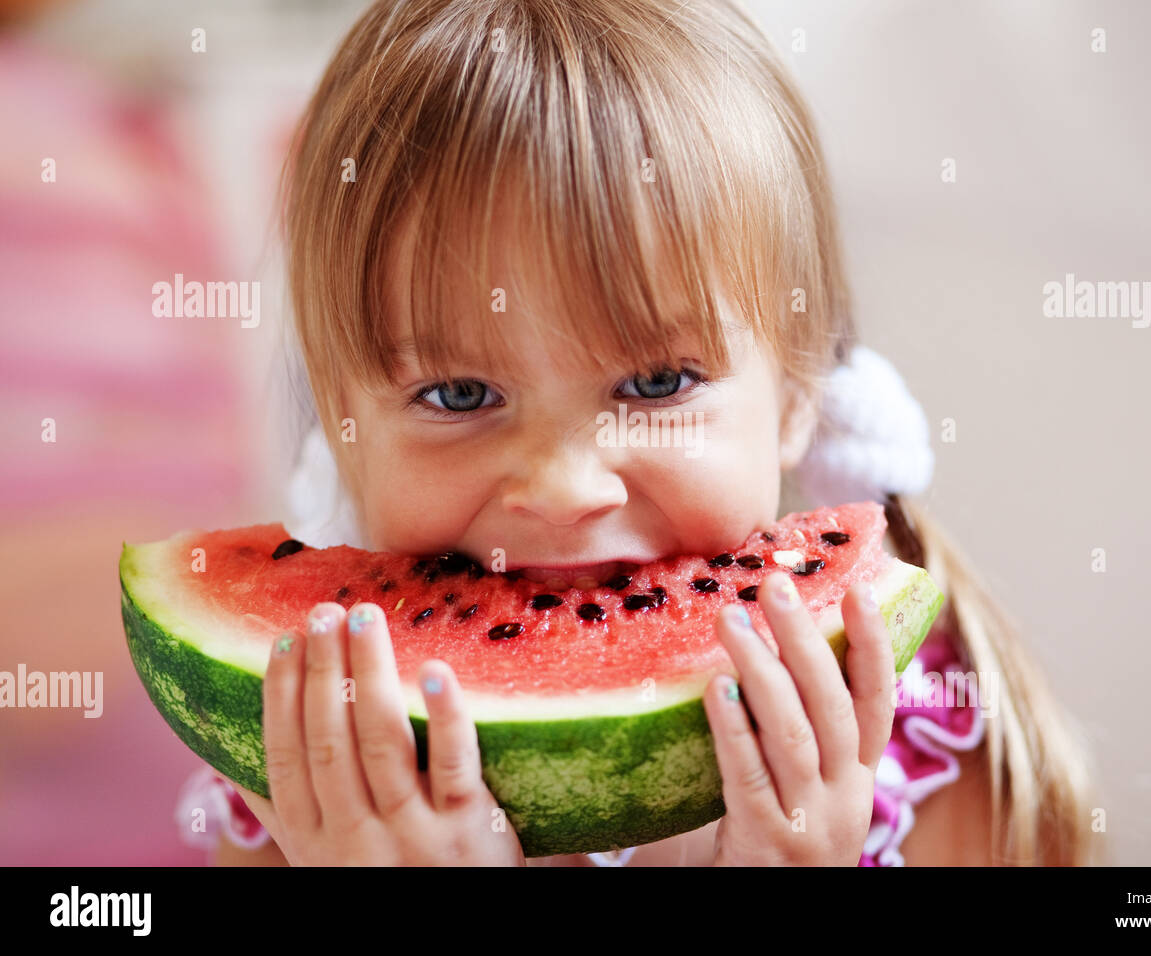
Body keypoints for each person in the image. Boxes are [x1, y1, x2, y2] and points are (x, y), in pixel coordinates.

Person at [186, 0, 1097, 866]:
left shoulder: (936, 757)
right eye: (460, 393)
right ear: (341, 433)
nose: (564, 488)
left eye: (657, 383)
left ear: (796, 394)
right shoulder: (306, 790)